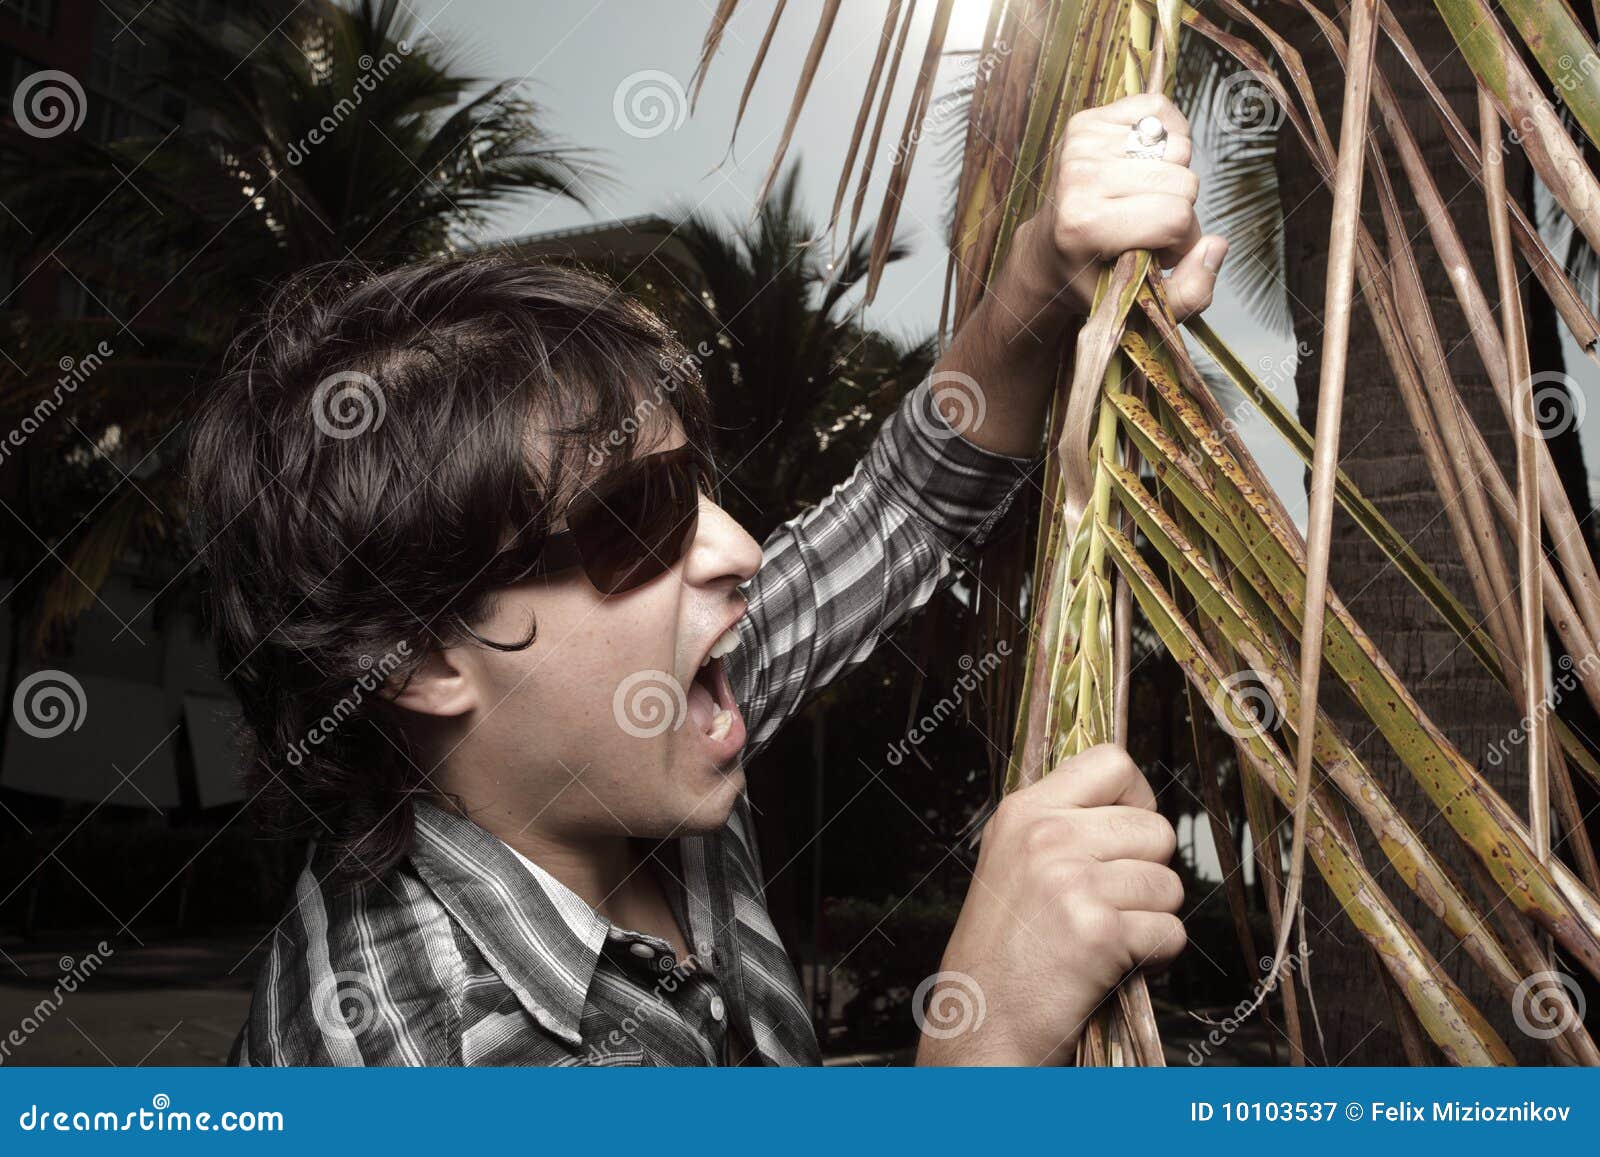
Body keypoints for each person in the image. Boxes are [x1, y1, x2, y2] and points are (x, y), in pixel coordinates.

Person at [193, 93, 1226, 1067]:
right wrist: (981, 1039)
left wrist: (1046, 271)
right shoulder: (420, 1049)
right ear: (417, 652)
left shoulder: (630, 726)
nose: (737, 548)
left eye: (695, 483)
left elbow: (904, 507)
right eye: (633, 519)